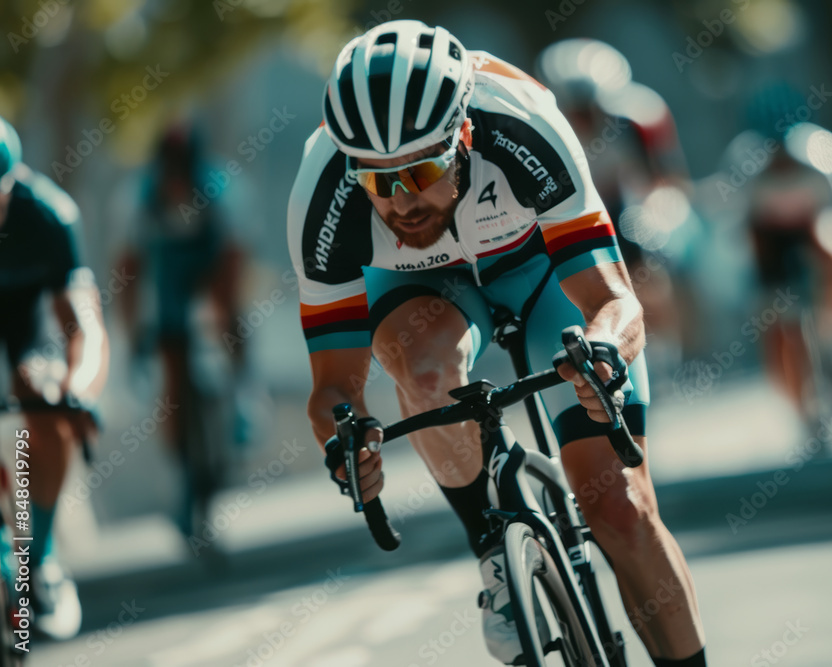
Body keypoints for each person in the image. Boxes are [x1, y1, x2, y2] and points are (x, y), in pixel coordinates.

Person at [287, 21, 707, 665]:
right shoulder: (323, 195)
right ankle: (494, 548)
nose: (401, 202)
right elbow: (333, 390)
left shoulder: (520, 121)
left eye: (421, 171)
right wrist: (345, 439)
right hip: (423, 290)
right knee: (422, 375)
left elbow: (615, 303)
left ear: (461, 136)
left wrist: (602, 350)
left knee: (620, 508)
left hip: (540, 271)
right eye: (378, 180)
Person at [115, 121, 255, 535]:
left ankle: (243, 396)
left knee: (229, 320)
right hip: (169, 283)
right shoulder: (137, 198)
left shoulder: (223, 190)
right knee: (172, 370)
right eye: (169, 170)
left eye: (183, 170)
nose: (176, 180)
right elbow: (127, 271)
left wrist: (226, 317)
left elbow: (234, 259)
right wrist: (135, 335)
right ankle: (183, 469)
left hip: (211, 272)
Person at [0, 115, 109, 639]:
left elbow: (83, 325)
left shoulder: (48, 214)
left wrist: (78, 390)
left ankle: (37, 556)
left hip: (28, 328)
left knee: (44, 396)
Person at [535, 38, 703, 363]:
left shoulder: (636, 120)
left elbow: (668, 179)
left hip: (632, 203)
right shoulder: (546, 131)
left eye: (588, 109)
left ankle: (671, 340)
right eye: (573, 110)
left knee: (647, 258)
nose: (582, 118)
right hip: (579, 210)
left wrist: (658, 217)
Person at [734, 83, 832, 434]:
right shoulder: (743, 162)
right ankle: (804, 408)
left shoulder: (824, 152)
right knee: (780, 321)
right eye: (771, 148)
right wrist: (760, 286)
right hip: (772, 240)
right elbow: (743, 232)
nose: (779, 155)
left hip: (819, 228)